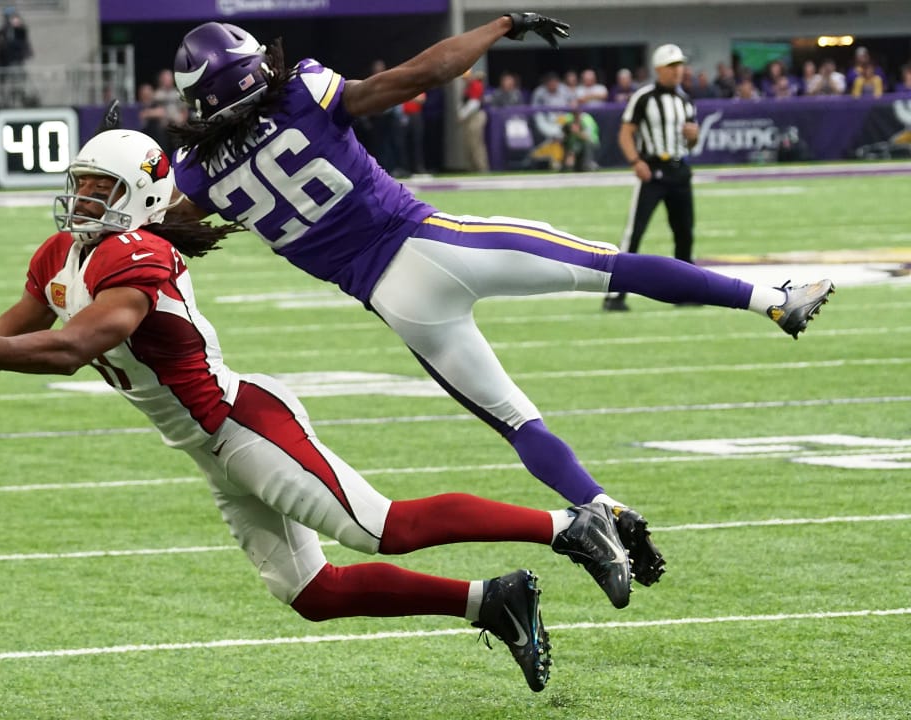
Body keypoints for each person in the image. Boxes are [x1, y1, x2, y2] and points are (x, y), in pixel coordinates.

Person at [0, 129, 638, 693]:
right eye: (81, 187)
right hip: (207, 447)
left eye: (103, 190)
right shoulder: (59, 255)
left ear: (140, 196)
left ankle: (569, 528)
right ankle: (491, 601)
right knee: (311, 592)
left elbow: (69, 348)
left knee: (381, 527)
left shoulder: (139, 253)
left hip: (243, 422)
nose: (85, 201)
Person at [162, 15, 837, 587]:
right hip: (435, 243)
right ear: (253, 69)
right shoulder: (302, 93)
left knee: (517, 422)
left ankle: (604, 507)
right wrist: (503, 22)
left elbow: (162, 226)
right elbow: (420, 76)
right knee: (613, 266)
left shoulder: (196, 176)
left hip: (396, 301)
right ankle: (771, 301)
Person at [603, 43, 701, 311]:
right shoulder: (644, 97)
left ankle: (686, 291)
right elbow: (625, 133)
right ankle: (615, 295)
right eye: (672, 66)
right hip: (653, 171)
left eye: (680, 65)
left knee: (685, 233)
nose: (677, 70)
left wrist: (694, 139)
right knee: (635, 233)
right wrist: (636, 161)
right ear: (658, 69)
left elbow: (690, 142)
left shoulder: (685, 100)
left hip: (680, 170)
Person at [0, 6, 33, 107]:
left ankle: (19, 99)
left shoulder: (19, 31)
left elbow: (23, 42)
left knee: (18, 83)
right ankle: (4, 101)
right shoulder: (1, 32)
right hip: (4, 63)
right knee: (4, 86)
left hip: (16, 61)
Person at [458, 69, 488, 172]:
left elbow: (474, 103)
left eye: (466, 78)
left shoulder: (476, 85)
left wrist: (462, 115)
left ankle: (481, 168)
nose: (465, 80)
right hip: (469, 117)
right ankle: (472, 168)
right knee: (469, 144)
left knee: (476, 143)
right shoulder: (468, 87)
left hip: (476, 116)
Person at [559, 98, 599, 172]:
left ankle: (588, 164)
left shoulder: (587, 119)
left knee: (586, 143)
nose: (575, 113)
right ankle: (567, 163)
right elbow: (563, 133)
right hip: (573, 143)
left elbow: (589, 137)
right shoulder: (568, 118)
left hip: (589, 142)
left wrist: (577, 132)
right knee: (567, 142)